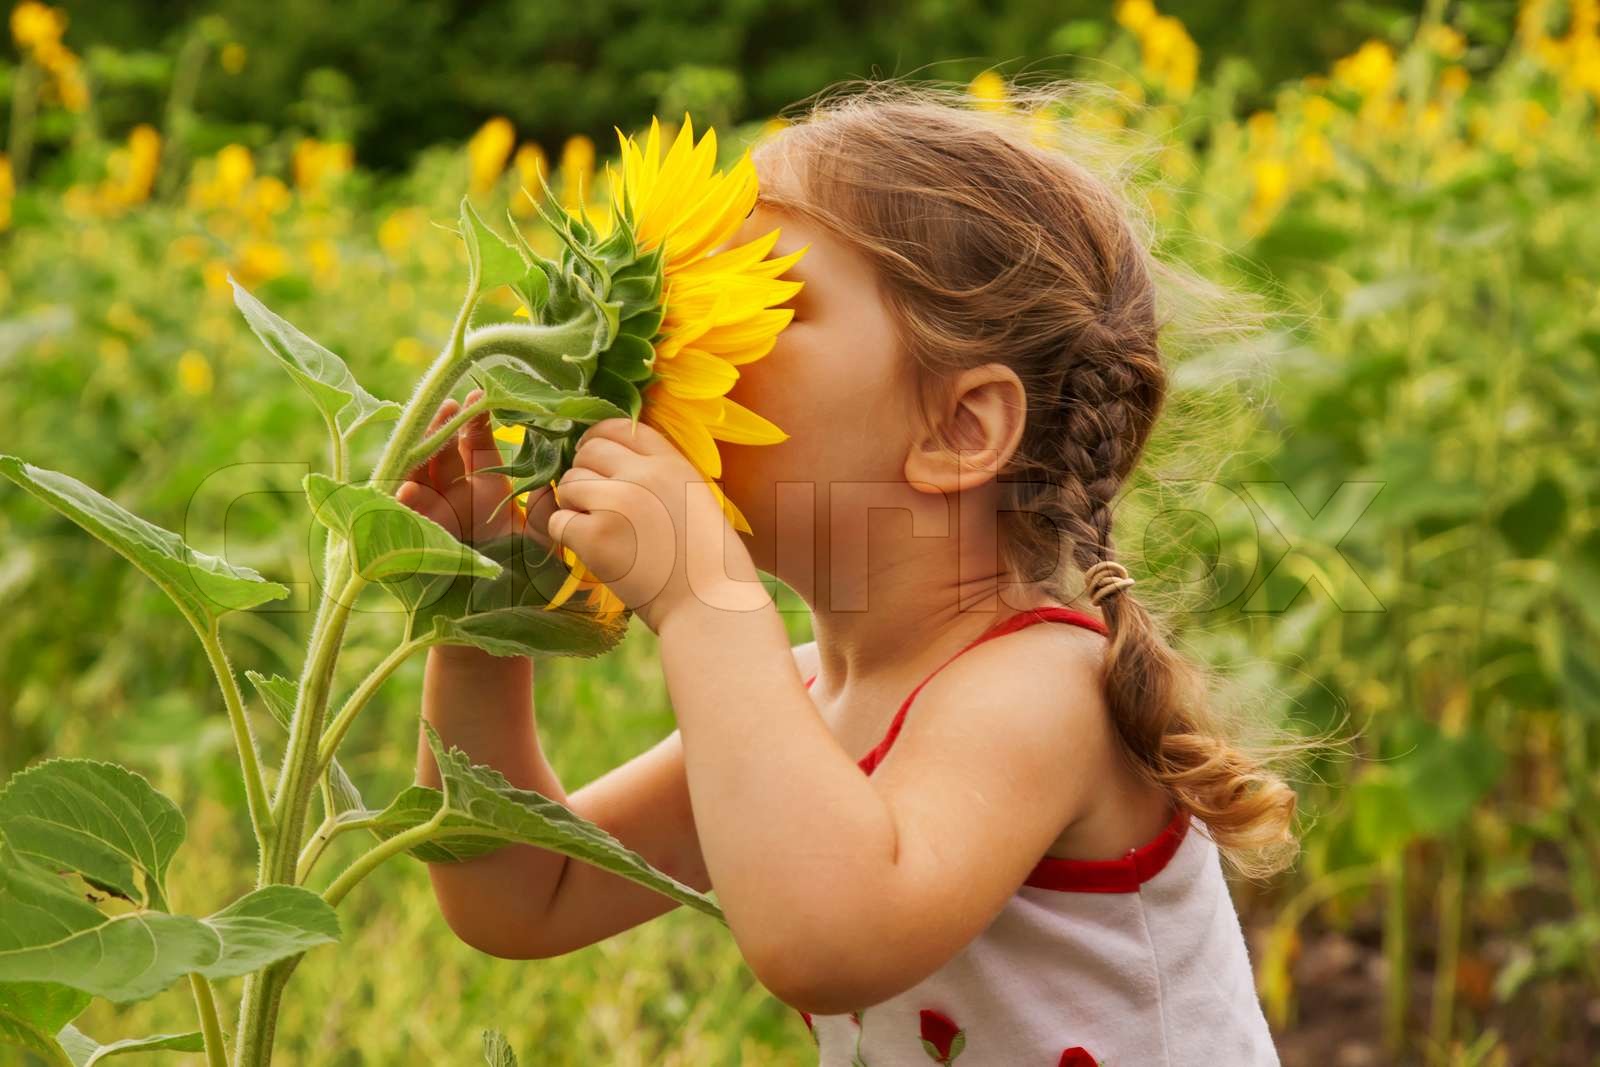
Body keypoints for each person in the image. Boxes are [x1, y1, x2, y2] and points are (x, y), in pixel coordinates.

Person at [398, 82, 1295, 1065]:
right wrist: (484, 608)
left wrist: (706, 602)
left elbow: (827, 940)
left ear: (960, 428)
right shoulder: (810, 695)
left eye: (758, 300)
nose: (674, 339)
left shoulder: (1042, 691)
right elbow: (527, 893)